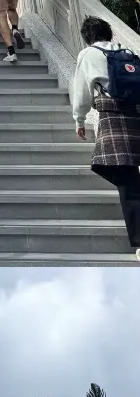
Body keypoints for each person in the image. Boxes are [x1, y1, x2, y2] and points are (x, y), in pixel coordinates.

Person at [72, 15, 140, 258]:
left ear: (87, 36)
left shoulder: (88, 54)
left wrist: (79, 120)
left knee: (125, 181)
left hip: (112, 117)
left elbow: (82, 93)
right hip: (135, 113)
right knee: (126, 176)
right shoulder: (127, 51)